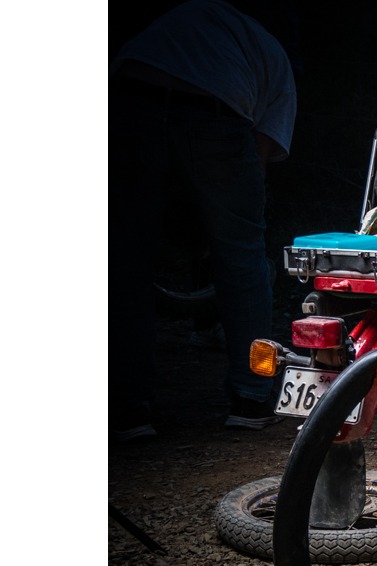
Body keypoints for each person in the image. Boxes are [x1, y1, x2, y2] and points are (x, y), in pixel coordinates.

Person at [109, 0, 297, 441]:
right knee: (243, 256)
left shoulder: (187, 19)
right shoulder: (276, 66)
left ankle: (127, 406)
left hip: (130, 94)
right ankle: (251, 397)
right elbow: (257, 161)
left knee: (125, 260)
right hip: (216, 109)